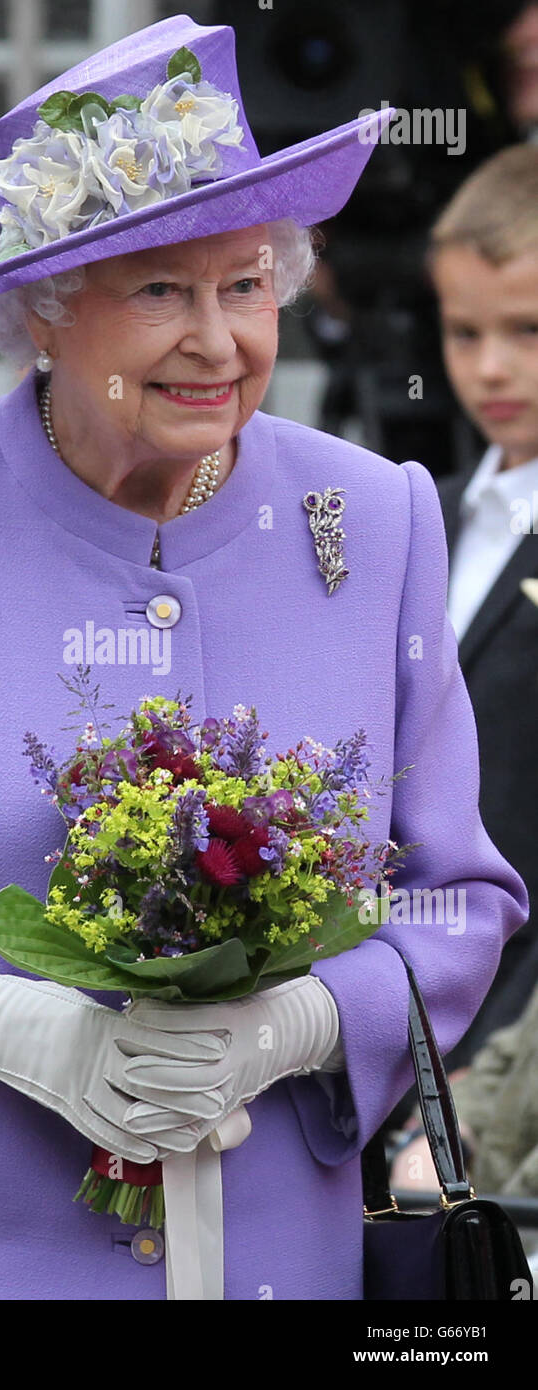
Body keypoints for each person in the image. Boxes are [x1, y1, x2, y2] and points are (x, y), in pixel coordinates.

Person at [0, 14, 528, 1302]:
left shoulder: (375, 519)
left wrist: (299, 1025)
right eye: (160, 291)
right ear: (43, 308)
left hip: (276, 1263)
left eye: (247, 285)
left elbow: (460, 900)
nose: (220, 341)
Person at [390, 143, 538, 1189]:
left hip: (506, 1050)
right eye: (465, 331)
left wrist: (492, 1065)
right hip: (373, 1022)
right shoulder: (417, 515)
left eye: (530, 332)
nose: (491, 368)